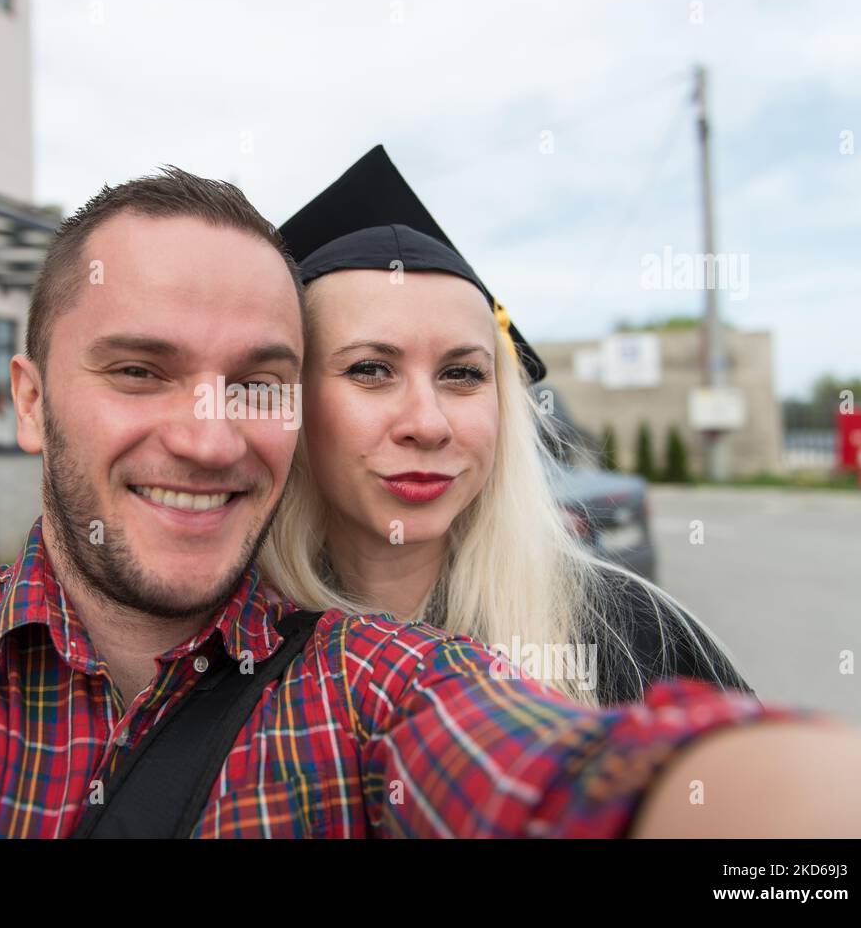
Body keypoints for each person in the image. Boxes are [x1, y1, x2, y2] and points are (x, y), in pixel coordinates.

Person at [0, 167, 861, 839]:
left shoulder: (383, 687)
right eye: (139, 369)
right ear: (32, 399)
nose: (207, 435)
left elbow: (583, 779)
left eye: (465, 374)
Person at [261, 147, 748, 706]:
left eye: (463, 373)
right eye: (371, 369)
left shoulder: (636, 640)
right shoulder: (225, 652)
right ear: (292, 397)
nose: (428, 423)